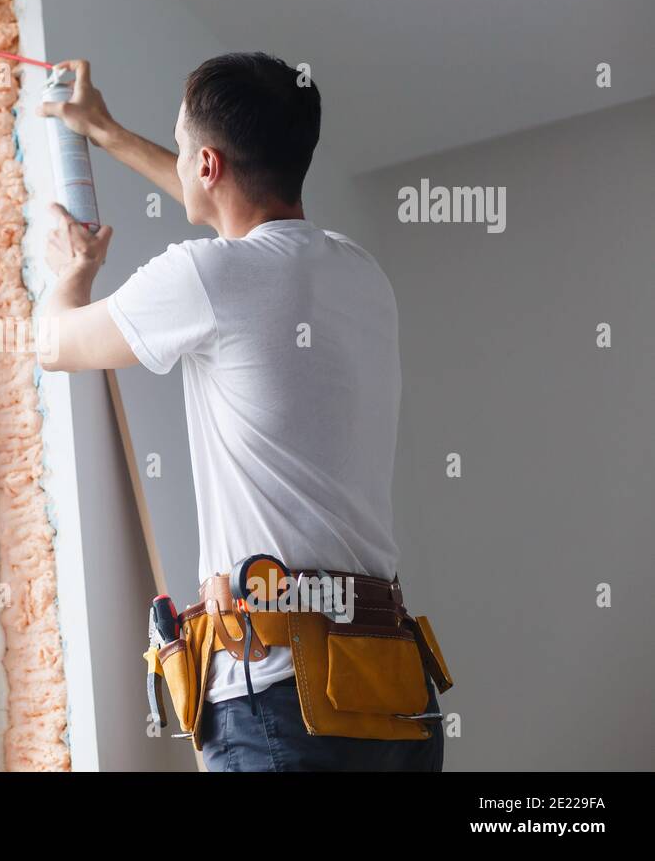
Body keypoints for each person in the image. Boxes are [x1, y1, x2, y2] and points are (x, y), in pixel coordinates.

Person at [38, 52, 442, 772]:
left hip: (286, 704)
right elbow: (228, 207)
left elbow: (55, 343)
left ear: (210, 165)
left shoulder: (208, 277)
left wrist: (73, 276)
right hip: (392, 690)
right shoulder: (358, 273)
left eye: (186, 144)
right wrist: (103, 130)